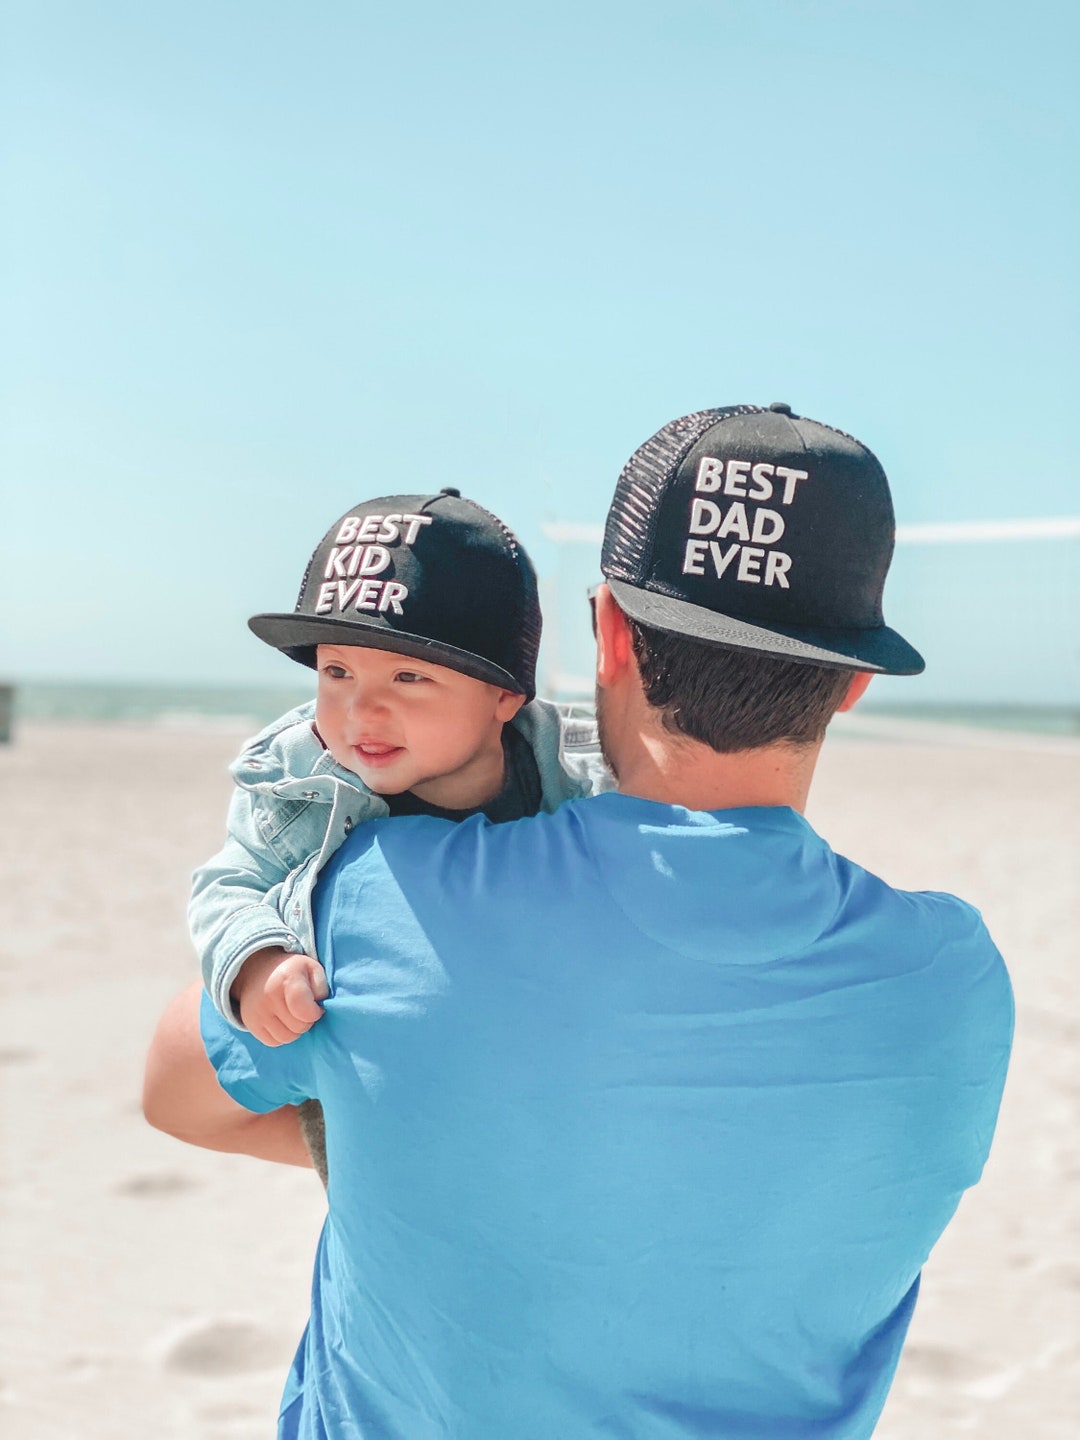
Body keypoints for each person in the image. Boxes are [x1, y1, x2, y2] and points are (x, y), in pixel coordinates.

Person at [145, 403, 1014, 1440]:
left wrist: (413, 1144)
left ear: (607, 634)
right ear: (854, 685)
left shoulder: (391, 892)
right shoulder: (954, 977)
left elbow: (177, 1096)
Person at [189, 486, 610, 1176]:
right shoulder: (304, 776)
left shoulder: (577, 774)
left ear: (505, 693)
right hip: (362, 1076)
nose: (363, 709)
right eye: (337, 671)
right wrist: (256, 964)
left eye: (409, 675)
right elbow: (231, 880)